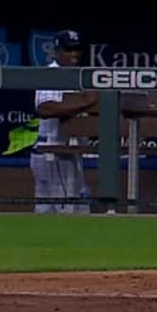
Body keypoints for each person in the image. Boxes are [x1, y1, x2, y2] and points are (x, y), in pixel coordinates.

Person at [31, 30, 93, 214]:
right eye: (68, 50)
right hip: (52, 150)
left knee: (49, 209)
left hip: (66, 151)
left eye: (76, 49)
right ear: (57, 51)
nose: (74, 54)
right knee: (68, 209)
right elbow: (45, 108)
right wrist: (87, 102)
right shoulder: (51, 73)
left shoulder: (79, 75)